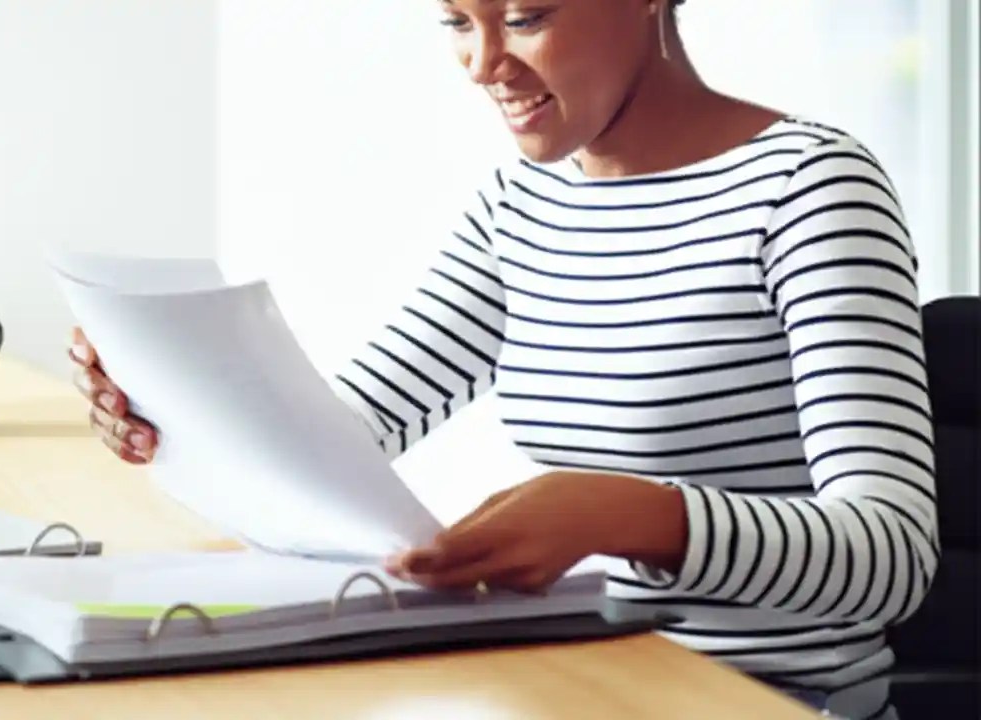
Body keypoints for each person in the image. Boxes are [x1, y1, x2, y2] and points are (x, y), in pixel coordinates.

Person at [70, 0, 937, 692]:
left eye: (526, 17)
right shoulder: (524, 208)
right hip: (584, 685)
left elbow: (890, 554)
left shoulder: (810, 191)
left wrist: (623, 513)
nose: (484, 65)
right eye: (456, 21)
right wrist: (166, 404)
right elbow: (340, 441)